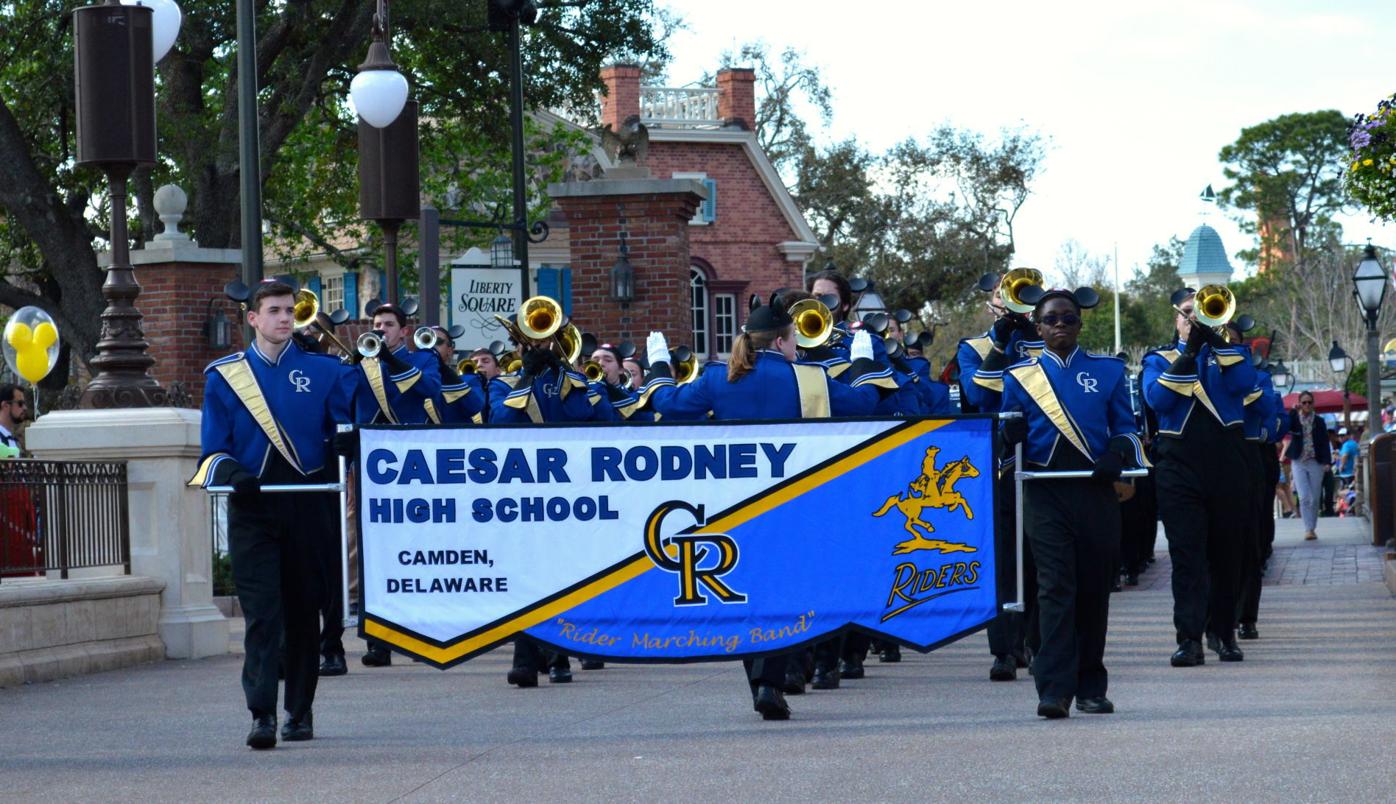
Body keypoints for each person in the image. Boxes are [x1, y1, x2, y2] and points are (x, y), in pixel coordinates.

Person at [645, 296, 886, 720]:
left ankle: (760, 681)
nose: (796, 346)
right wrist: (864, 362)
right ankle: (770, 682)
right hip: (793, 502)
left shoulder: (718, 376)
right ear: (780, 341)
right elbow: (865, 404)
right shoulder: (808, 378)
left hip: (733, 505)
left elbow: (666, 404)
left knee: (746, 591)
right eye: (793, 339)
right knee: (782, 591)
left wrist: (659, 367)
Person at [190, 279, 355, 749]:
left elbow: (343, 430)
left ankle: (299, 712)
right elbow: (212, 450)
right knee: (262, 616)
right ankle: (261, 713)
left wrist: (347, 444)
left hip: (308, 502)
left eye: (290, 310)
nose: (285, 318)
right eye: (275, 311)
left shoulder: (325, 371)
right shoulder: (225, 376)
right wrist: (234, 472)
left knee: (304, 614)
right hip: (254, 507)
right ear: (253, 319)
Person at [997, 286, 1144, 719]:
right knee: (1055, 587)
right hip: (1044, 491)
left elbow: (1127, 428)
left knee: (1095, 588)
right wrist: (1010, 436)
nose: (1060, 325)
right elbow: (1007, 438)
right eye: (1051, 319)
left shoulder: (1109, 371)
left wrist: (1116, 454)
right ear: (1038, 326)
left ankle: (1091, 687)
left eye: (1068, 318)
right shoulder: (1019, 376)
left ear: (1080, 324)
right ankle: (1054, 690)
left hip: (1095, 490)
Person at [490, 313, 614, 687]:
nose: (538, 345)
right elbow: (500, 422)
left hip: (571, 490)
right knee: (526, 572)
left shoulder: (578, 382)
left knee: (569, 571)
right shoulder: (503, 384)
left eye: (545, 339)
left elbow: (593, 416)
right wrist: (527, 377)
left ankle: (565, 652)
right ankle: (530, 659)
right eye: (530, 341)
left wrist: (563, 374)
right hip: (524, 491)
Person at [1141, 289, 1257, 667]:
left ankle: (1223, 633)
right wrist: (1190, 352)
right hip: (1178, 464)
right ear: (1176, 319)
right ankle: (1189, 639)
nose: (1194, 318)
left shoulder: (1234, 354)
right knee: (1186, 555)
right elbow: (1158, 401)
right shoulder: (1158, 359)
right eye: (1188, 312)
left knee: (1228, 553)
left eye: (1201, 312)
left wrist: (1216, 343)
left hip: (1228, 461)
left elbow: (1244, 384)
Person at [345, 303, 443, 669]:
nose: (381, 329)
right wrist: (353, 364)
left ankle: (418, 633)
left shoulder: (422, 359)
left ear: (404, 331)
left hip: (412, 463)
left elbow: (430, 389)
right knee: (372, 548)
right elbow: (343, 402)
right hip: (369, 464)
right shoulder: (362, 363)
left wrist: (391, 361)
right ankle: (378, 640)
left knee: (415, 545)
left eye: (388, 324)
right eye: (376, 324)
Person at [961, 274, 1046, 683]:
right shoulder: (973, 348)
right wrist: (999, 342)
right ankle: (1004, 650)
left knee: (1040, 558)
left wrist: (1032, 336)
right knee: (1002, 559)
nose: (1012, 302)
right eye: (1003, 295)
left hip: (1041, 459)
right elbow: (978, 397)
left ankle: (1038, 643)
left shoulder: (1046, 341)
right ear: (991, 303)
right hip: (997, 462)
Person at [1284, 391, 1329, 542]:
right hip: (1299, 461)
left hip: (1315, 461)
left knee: (1315, 498)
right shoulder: (1295, 419)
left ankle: (1312, 527)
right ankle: (1308, 529)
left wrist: (1327, 462)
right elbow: (1287, 426)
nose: (1307, 405)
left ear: (1313, 403)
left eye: (1309, 402)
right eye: (1304, 402)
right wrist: (1293, 411)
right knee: (1304, 497)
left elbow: (1325, 442)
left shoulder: (1319, 421)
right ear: (1300, 403)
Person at [0, 384, 26, 453]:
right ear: (5, 405)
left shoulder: (14, 441)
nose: (25, 408)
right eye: (20, 403)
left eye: (24, 403)